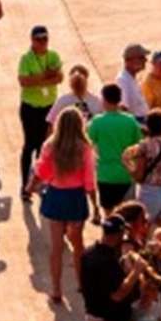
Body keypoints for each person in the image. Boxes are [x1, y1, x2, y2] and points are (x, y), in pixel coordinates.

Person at [34, 101, 98, 303]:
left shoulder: (50, 146)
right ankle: (82, 283)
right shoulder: (84, 148)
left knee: (56, 247)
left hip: (55, 196)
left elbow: (42, 171)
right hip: (76, 197)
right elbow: (89, 179)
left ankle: (56, 288)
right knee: (78, 244)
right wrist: (95, 204)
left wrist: (32, 186)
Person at [79, 213, 142, 321]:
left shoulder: (89, 253)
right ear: (118, 234)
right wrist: (136, 272)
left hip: (94, 317)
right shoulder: (107, 262)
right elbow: (118, 295)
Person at [16, 22, 64, 194]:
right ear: (32, 40)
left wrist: (37, 78)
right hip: (30, 107)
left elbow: (59, 77)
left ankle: (40, 183)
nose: (43, 42)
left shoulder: (53, 55)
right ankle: (25, 184)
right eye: (39, 39)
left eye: (45, 39)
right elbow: (24, 81)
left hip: (49, 107)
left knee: (44, 146)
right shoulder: (26, 58)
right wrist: (46, 76)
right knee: (30, 144)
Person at [88, 84, 142, 212]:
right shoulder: (130, 121)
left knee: (109, 214)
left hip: (105, 174)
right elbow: (138, 145)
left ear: (104, 99)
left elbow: (89, 142)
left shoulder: (97, 122)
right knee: (128, 214)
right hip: (126, 174)